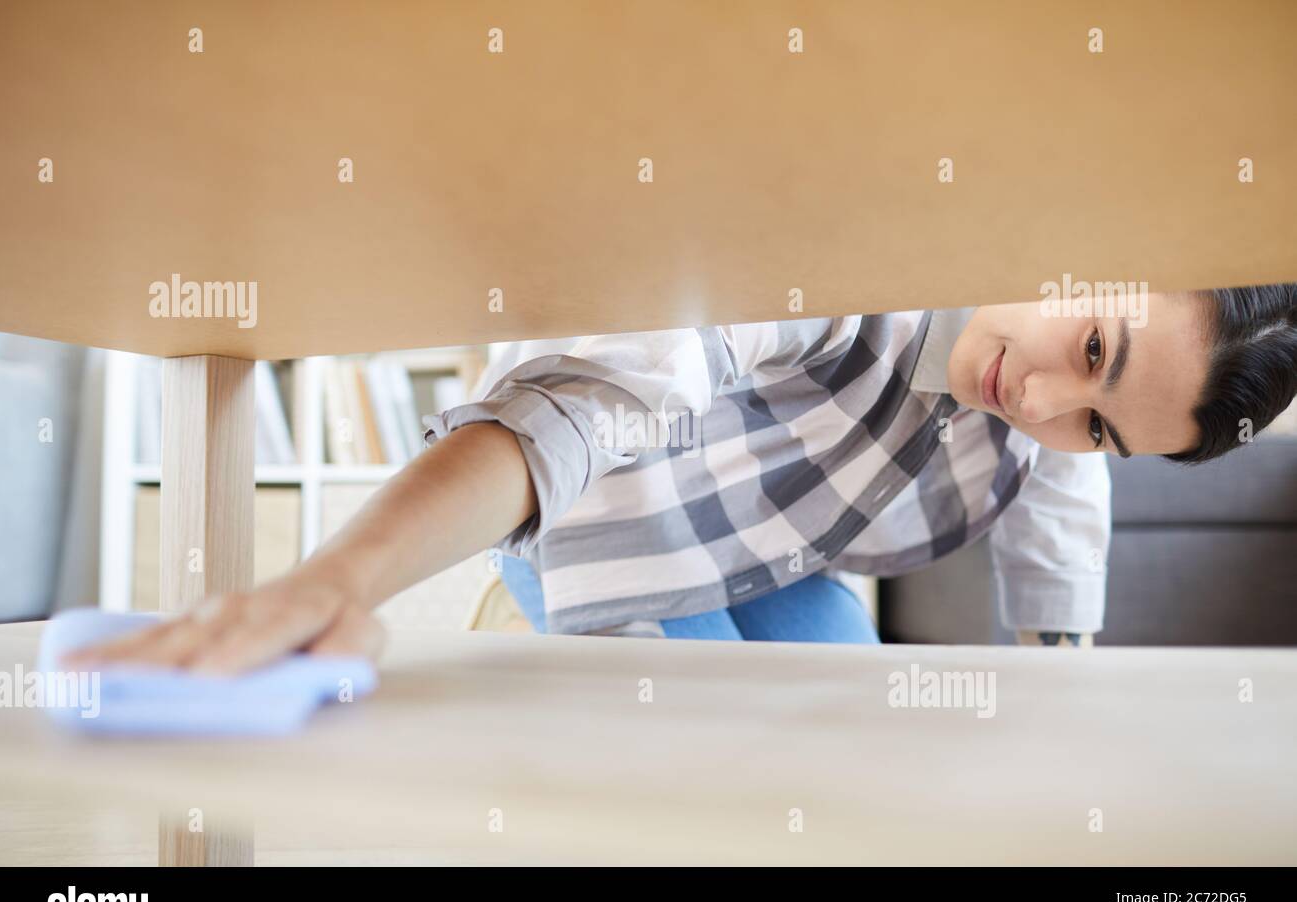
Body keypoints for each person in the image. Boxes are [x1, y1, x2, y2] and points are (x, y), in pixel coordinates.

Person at [67, 285, 1297, 672]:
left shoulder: (1042, 433)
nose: (1039, 406)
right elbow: (595, 397)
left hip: (764, 536)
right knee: (710, 740)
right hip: (606, 513)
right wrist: (339, 577)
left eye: (1101, 425)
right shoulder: (850, 270)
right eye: (1090, 352)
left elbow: (1069, 496)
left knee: (855, 730)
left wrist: (1056, 662)